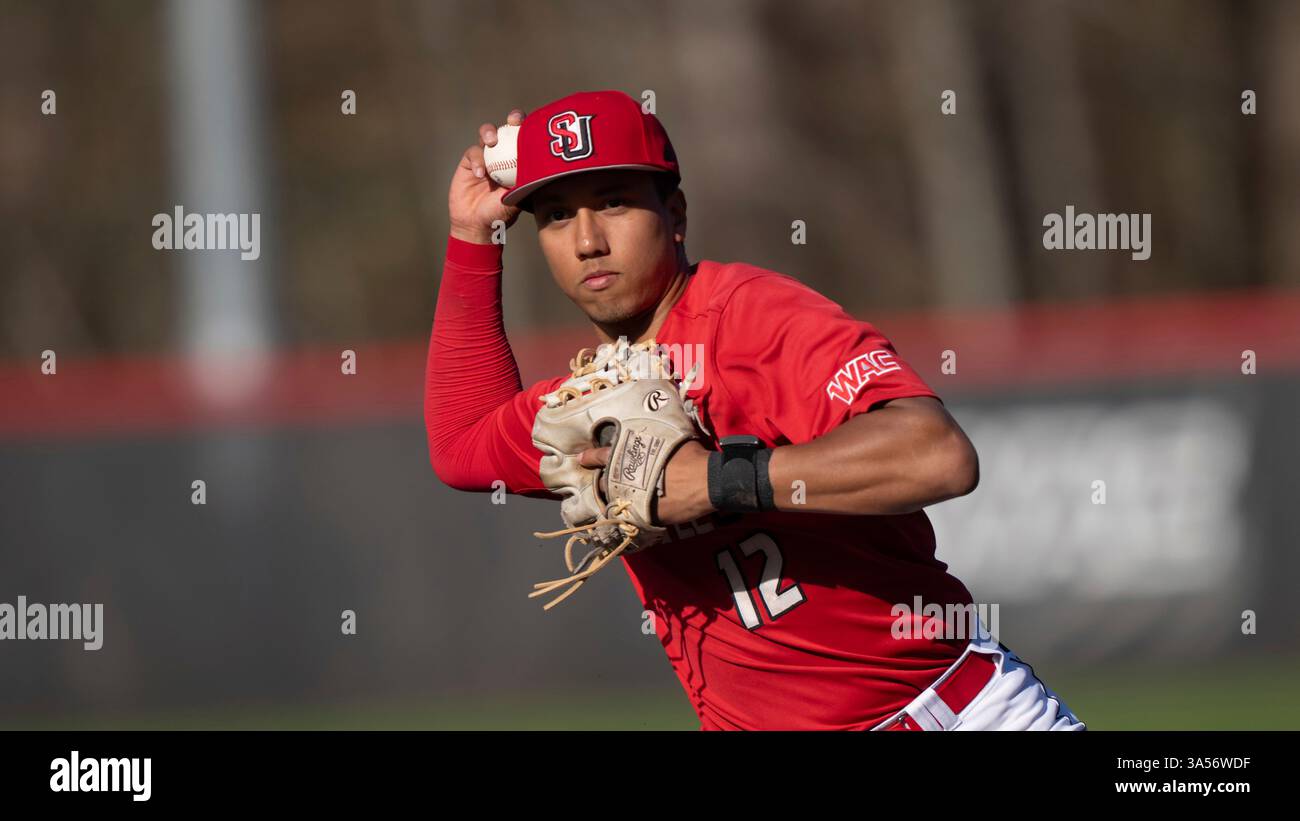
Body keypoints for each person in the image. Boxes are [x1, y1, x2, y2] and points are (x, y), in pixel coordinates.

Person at [426, 89, 1084, 731]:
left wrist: (715, 481)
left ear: (675, 213)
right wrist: (472, 237)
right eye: (556, 216)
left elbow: (938, 454)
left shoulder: (753, 318)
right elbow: (461, 445)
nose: (587, 240)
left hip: (946, 712)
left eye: (615, 202)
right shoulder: (593, 403)